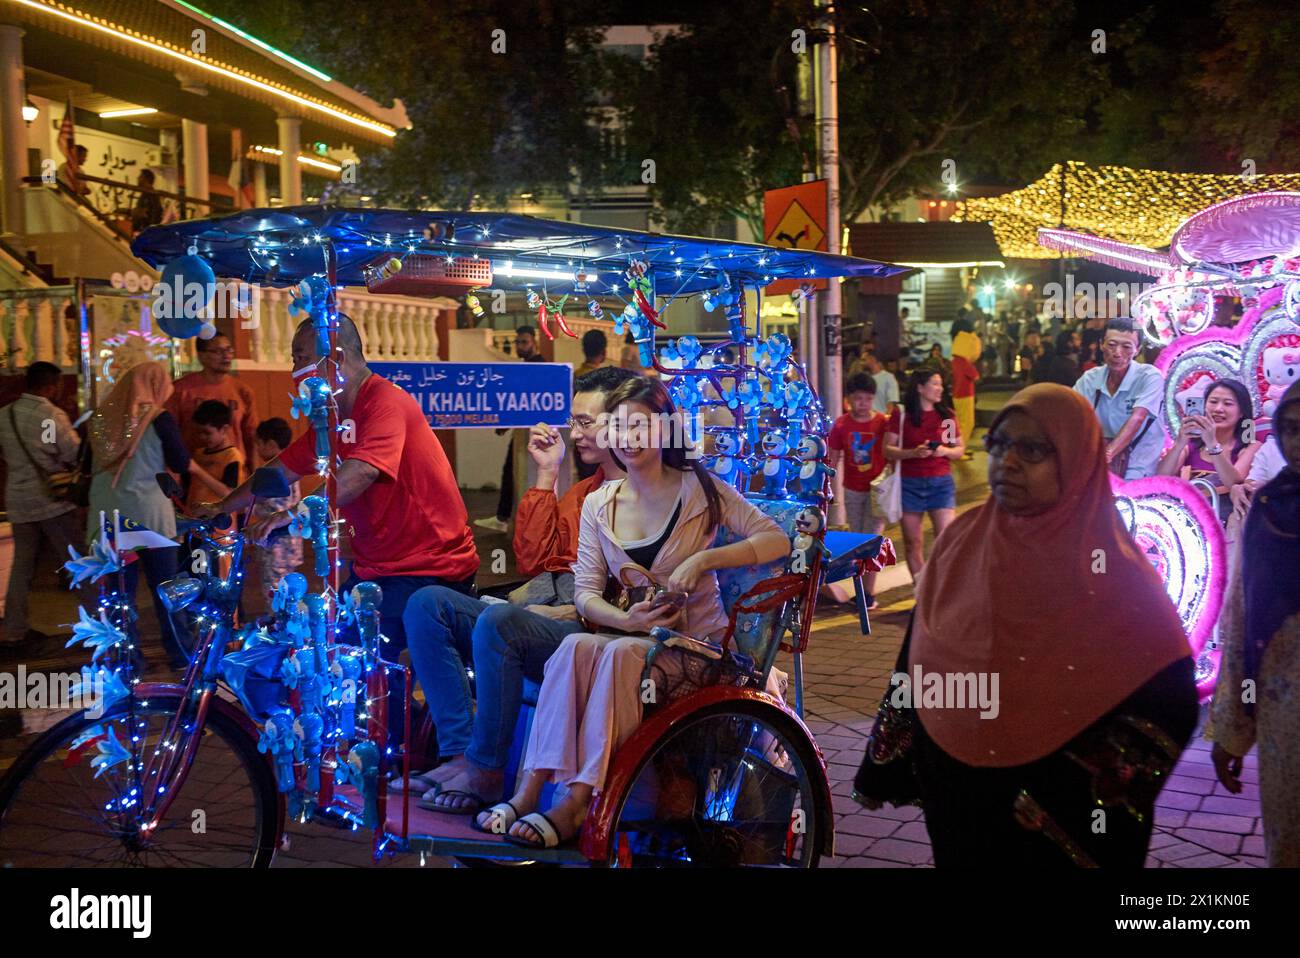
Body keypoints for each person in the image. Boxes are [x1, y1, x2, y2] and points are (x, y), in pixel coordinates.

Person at [480, 377, 789, 846]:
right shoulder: (599, 504)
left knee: (621, 653)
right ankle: (527, 792)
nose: (628, 437)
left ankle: (576, 803)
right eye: (619, 426)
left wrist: (703, 560)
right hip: (636, 638)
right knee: (575, 646)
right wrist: (626, 619)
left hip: (698, 651)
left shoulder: (701, 490)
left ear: (665, 428)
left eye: (640, 425)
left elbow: (775, 538)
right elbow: (585, 594)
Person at [908, 384, 1198, 867]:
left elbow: (1168, 693)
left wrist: (1085, 779)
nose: (1007, 462)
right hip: (958, 792)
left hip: (1059, 818)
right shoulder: (963, 539)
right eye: (999, 444)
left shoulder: (1110, 568)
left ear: (1077, 461)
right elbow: (921, 646)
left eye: (1033, 450)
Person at [401, 366, 638, 812]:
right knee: (427, 604)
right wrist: (546, 474)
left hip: (594, 632)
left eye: (585, 422)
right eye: (573, 421)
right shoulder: (584, 491)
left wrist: (569, 612)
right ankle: (460, 753)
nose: (574, 433)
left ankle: (486, 771)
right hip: (553, 607)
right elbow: (533, 562)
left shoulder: (642, 495)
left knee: (501, 621)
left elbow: (632, 596)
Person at [208, 316, 479, 651]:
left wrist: (291, 515)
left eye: (302, 359)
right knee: (334, 648)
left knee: (365, 661)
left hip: (428, 567)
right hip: (377, 567)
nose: (296, 371)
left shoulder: (385, 401)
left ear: (335, 358)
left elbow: (361, 472)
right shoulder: (333, 419)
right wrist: (221, 506)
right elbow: (282, 469)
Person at [1210, 379, 1300, 866]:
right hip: (1286, 717)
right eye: (1291, 429)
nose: (1298, 442)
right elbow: (1241, 621)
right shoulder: (1270, 514)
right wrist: (1233, 728)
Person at [87, 362, 227, 668]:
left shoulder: (101, 418)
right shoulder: (158, 417)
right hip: (149, 515)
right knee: (167, 590)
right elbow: (180, 461)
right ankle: (181, 654)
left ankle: (126, 660)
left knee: (119, 594)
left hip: (108, 517)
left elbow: (84, 464)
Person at [0, 362, 83, 652]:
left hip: (17, 499)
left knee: (21, 566)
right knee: (78, 560)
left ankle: (13, 629)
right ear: (50, 386)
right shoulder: (50, 415)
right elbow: (71, 452)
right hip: (51, 499)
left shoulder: (5, 414)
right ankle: (99, 621)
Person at [884, 370, 964, 578]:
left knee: (946, 539)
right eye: (935, 384)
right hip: (909, 484)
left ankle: (940, 587)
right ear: (920, 387)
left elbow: (958, 450)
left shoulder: (946, 416)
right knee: (913, 542)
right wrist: (913, 452)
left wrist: (943, 451)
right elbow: (887, 449)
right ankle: (920, 589)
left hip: (941, 483)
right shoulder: (902, 415)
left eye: (941, 384)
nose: (940, 389)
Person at [1072, 318, 1165, 479]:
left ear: (1137, 350)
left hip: (1139, 462)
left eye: (1126, 347)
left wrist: (1106, 455)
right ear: (1101, 344)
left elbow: (1138, 417)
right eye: (1112, 345)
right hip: (1101, 462)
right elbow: (1071, 415)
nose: (1117, 353)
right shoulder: (1090, 379)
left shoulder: (1150, 377)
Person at [1157, 379, 1260, 522]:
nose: (1218, 409)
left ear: (1241, 412)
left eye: (1228, 404)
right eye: (1213, 402)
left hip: (1224, 521)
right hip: (1186, 520)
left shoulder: (1250, 447)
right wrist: (1179, 444)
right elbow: (1160, 478)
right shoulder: (1191, 445)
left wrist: (1212, 444)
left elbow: (1234, 483)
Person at [827, 374, 888, 607]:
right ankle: (862, 591)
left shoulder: (882, 423)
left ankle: (868, 594)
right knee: (858, 540)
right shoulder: (841, 425)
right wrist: (826, 485)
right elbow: (833, 458)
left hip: (878, 491)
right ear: (849, 399)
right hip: (852, 490)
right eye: (858, 398)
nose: (863, 403)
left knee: (872, 540)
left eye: (868, 399)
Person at [478, 326, 545, 533]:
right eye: (518, 342)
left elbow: (526, 400)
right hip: (524, 430)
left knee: (517, 474)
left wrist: (505, 424)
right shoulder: (528, 366)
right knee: (512, 472)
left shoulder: (538, 367)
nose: (519, 346)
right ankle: (507, 518)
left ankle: (508, 519)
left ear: (534, 343)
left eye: (524, 342)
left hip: (533, 431)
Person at [166, 333, 258, 464]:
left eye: (229, 350)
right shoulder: (181, 390)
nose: (226, 356)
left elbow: (251, 436)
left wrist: (254, 472)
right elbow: (169, 434)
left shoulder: (243, 391)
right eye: (218, 351)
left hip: (234, 469)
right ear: (201, 356)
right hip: (194, 469)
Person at [249, 418, 303, 601]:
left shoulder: (272, 471)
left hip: (276, 545)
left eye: (259, 443)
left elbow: (269, 506)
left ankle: (277, 618)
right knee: (289, 592)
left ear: (271, 444)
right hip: (291, 542)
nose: (257, 449)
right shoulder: (292, 466)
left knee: (275, 594)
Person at [184, 400, 243, 511]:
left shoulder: (232, 456)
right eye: (199, 432)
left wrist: (198, 470)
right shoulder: (199, 453)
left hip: (218, 519)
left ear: (224, 429)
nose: (202, 437)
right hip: (193, 515)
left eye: (207, 433)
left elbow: (229, 494)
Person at [130, 169, 164, 234]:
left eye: (140, 176)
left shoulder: (152, 194)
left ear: (147, 179)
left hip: (147, 231)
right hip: (143, 230)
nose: (138, 178)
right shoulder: (145, 193)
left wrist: (150, 230)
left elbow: (156, 212)